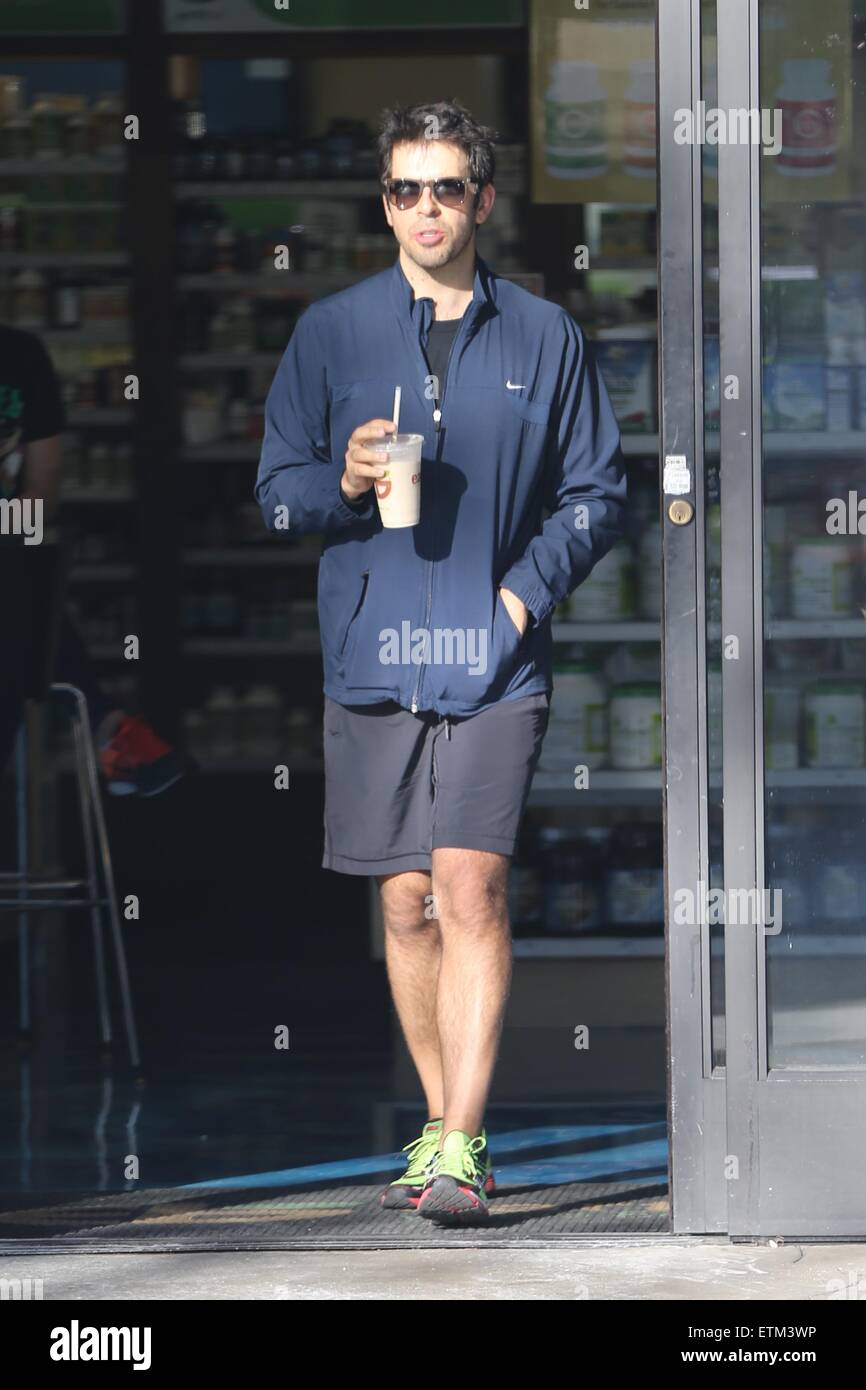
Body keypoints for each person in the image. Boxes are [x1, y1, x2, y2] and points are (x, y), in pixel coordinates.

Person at [256, 100, 626, 1225]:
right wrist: (347, 483)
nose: (427, 208)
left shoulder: (544, 336)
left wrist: (521, 596)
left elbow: (597, 492)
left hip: (495, 652)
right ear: (385, 204)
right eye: (406, 189)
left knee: (469, 885)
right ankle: (435, 1121)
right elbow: (276, 494)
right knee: (406, 902)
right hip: (372, 653)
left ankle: (461, 1141)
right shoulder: (330, 331)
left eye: (448, 186)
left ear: (483, 198)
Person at [0, 322, 189, 796]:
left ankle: (108, 726)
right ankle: (111, 727)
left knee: (19, 582)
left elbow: (43, 482)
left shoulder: (19, 354)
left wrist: (10, 544)